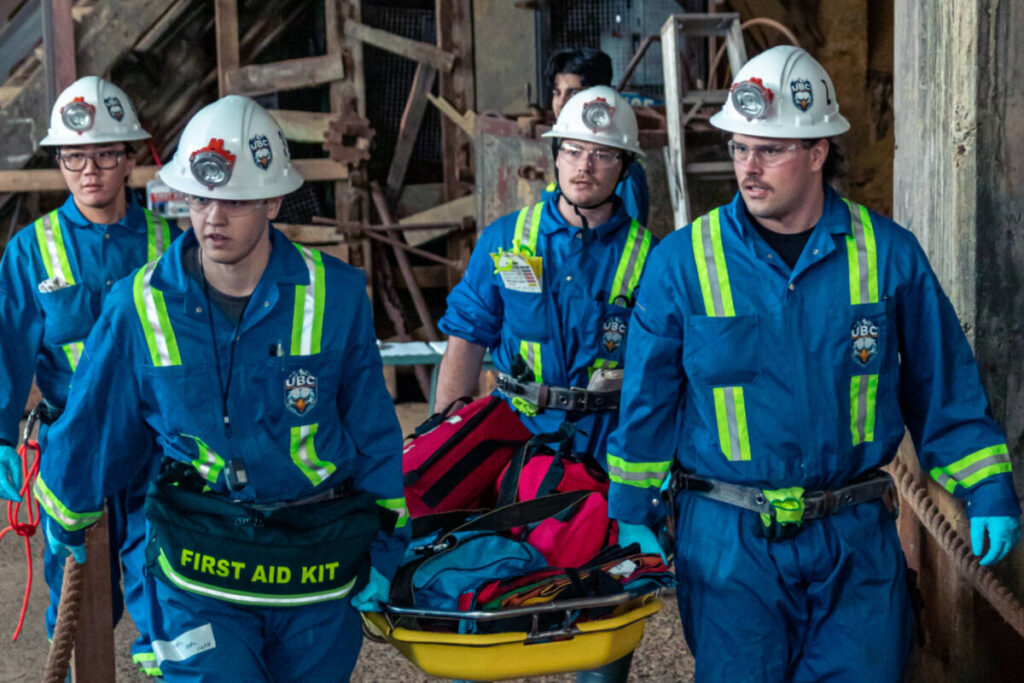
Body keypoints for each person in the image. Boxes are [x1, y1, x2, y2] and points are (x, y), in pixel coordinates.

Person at [604, 45, 1022, 681]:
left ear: (818, 151)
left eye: (770, 150)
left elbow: (942, 385)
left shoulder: (889, 255)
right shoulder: (683, 263)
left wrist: (987, 488)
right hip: (729, 542)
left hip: (854, 540)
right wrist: (631, 509)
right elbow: (647, 403)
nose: (748, 168)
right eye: (740, 148)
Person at [34, 94, 408, 679]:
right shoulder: (137, 306)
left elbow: (371, 427)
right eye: (200, 198)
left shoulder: (335, 296)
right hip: (198, 558)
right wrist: (67, 512)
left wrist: (387, 543)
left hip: (315, 559)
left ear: (274, 201)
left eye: (234, 201)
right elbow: (94, 424)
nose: (213, 218)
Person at [435, 85, 657, 682]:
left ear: (624, 166)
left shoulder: (651, 258)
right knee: (483, 599)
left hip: (606, 453)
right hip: (513, 446)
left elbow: (663, 376)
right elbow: (466, 340)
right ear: (555, 156)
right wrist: (447, 443)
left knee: (601, 613)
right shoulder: (507, 241)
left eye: (603, 154)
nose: (585, 166)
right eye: (573, 150)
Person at [0, 75, 177, 676]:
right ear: (59, 162)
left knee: (166, 586)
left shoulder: (170, 245)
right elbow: (7, 348)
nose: (90, 170)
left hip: (156, 447)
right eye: (74, 157)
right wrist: (0, 437)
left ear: (130, 158)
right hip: (71, 446)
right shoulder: (32, 249)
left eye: (104, 154)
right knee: (78, 601)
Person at [542, 47, 649, 226]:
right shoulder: (562, 157)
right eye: (557, 93)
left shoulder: (623, 173)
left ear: (601, 100)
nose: (560, 103)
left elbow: (627, 236)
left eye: (574, 93)